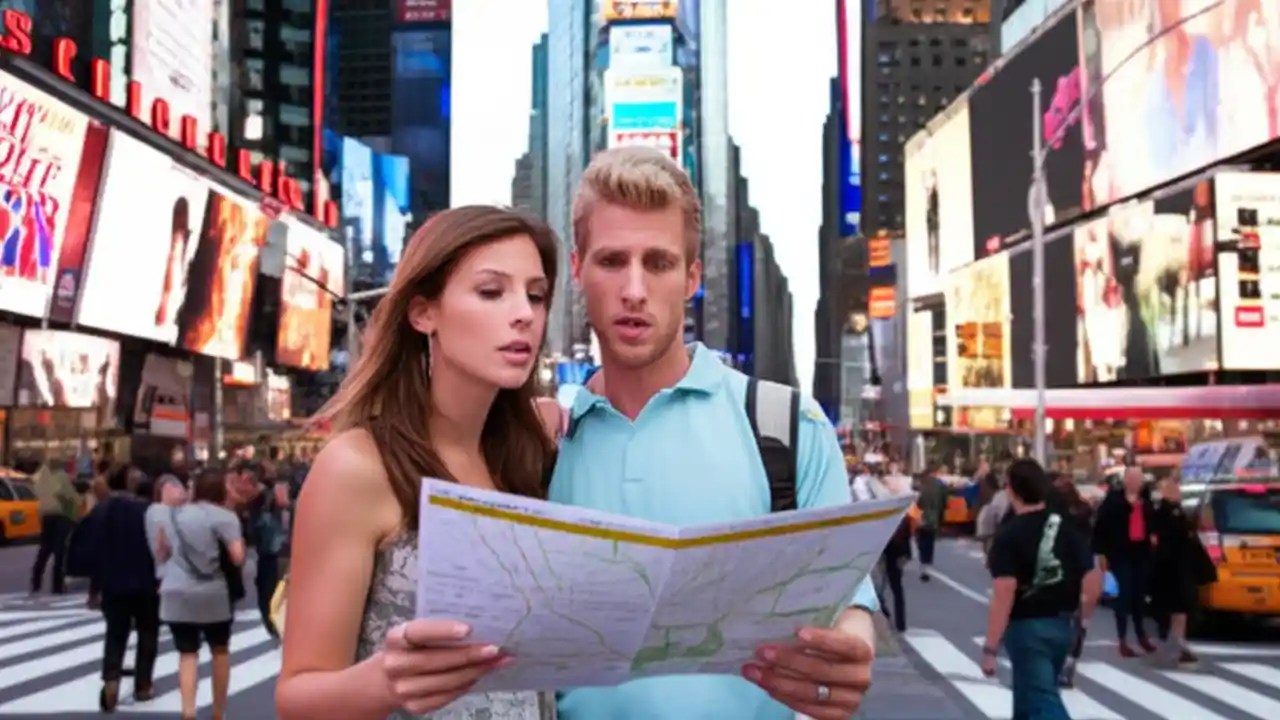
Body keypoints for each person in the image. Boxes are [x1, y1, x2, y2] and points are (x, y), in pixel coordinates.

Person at [549, 147, 877, 720]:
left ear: (692, 277)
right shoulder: (540, 442)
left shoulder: (786, 427)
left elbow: (846, 603)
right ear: (577, 269)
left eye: (658, 262)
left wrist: (848, 653)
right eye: (611, 261)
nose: (633, 289)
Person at [275, 206, 561, 720]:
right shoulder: (359, 467)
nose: (524, 313)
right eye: (491, 292)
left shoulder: (530, 458)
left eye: (536, 295)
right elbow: (297, 698)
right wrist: (385, 680)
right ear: (423, 312)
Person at [981, 458, 1101, 719]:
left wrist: (990, 647)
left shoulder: (1009, 534)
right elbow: (1092, 575)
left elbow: (1004, 592)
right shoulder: (1065, 526)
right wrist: (1083, 618)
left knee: (1041, 700)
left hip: (1027, 626)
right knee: (1028, 700)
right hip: (1062, 623)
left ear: (1011, 489)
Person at [153, 468, 247, 720]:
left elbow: (161, 553)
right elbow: (237, 558)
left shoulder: (171, 514)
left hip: (175, 590)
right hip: (212, 592)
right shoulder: (225, 517)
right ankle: (218, 712)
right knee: (219, 649)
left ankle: (188, 711)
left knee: (187, 653)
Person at [81, 464, 161, 709]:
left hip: (113, 583)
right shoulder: (151, 512)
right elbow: (160, 550)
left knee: (115, 633)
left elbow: (95, 551)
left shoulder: (103, 511)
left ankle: (111, 677)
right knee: (148, 632)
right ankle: (143, 685)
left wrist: (94, 589)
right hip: (146, 583)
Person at [1149, 475, 1215, 666]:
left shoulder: (1170, 511)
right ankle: (1176, 645)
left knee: (1180, 608)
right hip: (1174, 567)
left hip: (1176, 567)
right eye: (1173, 489)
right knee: (1179, 607)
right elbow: (1176, 536)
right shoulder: (1168, 512)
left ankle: (1178, 644)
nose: (1177, 492)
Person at [1093, 466, 1157, 657]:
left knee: (1139, 596)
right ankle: (1122, 639)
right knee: (1123, 596)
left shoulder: (1146, 502)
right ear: (1126, 480)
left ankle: (1141, 635)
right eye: (1132, 478)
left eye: (1139, 479)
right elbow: (1101, 527)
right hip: (1120, 554)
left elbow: (1153, 523)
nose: (1136, 482)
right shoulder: (1114, 501)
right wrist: (1100, 553)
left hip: (1141, 553)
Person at [30, 455, 79, 595]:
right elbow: (70, 496)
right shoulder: (61, 476)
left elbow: (37, 492)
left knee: (44, 549)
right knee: (59, 551)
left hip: (46, 515)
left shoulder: (41, 477)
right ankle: (57, 586)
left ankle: (36, 582)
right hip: (60, 515)